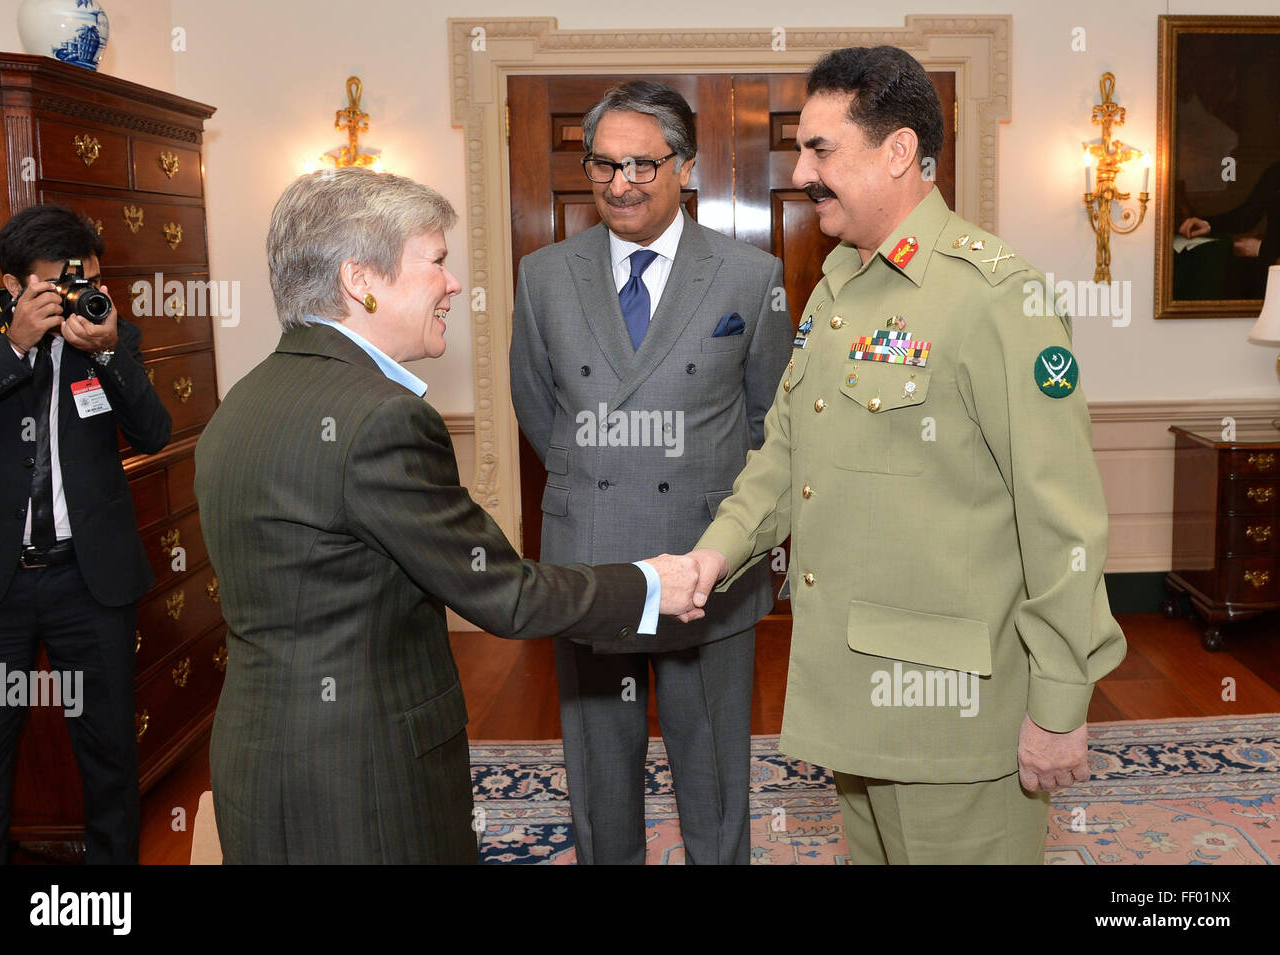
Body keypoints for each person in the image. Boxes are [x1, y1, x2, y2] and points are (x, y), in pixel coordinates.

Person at [684, 46, 1127, 864]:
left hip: (957, 717)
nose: (802, 169)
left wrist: (1061, 702)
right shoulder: (837, 285)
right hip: (854, 696)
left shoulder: (997, 297)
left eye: (821, 149)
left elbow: (1061, 517)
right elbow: (783, 451)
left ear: (897, 152)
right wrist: (714, 554)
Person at [194, 169, 701, 865]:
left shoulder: (242, 402)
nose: (454, 283)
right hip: (363, 777)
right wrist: (651, 586)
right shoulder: (380, 419)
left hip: (259, 758)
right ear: (360, 279)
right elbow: (506, 594)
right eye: (435, 260)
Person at [510, 80, 791, 865]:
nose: (620, 183)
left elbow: (775, 422)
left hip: (709, 561)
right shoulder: (544, 276)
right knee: (601, 771)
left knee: (713, 774)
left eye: (641, 164)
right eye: (603, 165)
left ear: (686, 167)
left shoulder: (750, 276)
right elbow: (539, 411)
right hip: (593, 564)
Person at [0, 204, 172, 864]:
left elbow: (155, 432)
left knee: (111, 759)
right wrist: (12, 350)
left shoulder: (107, 333)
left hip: (89, 582)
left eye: (87, 279)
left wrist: (112, 351)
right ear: (12, 288)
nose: (77, 295)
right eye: (56, 284)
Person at [1178, 159, 1280, 299]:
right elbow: (1248, 215)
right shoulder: (1276, 170)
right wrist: (1208, 224)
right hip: (1270, 275)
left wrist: (1262, 249)